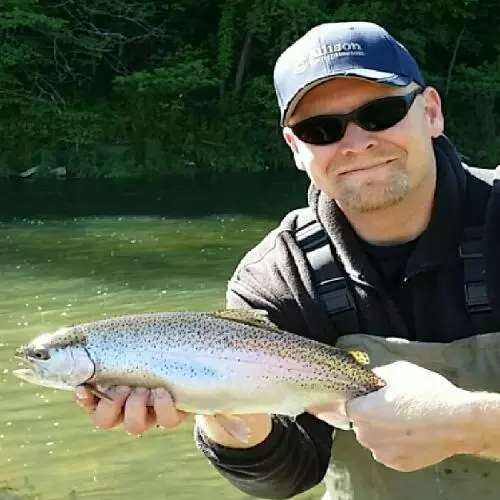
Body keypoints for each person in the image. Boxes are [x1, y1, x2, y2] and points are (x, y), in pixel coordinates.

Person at [75, 21, 500, 500]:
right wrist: (230, 417)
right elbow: (291, 474)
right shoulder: (277, 279)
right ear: (297, 149)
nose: (357, 142)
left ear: (431, 112)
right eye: (322, 129)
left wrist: (475, 426)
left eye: (380, 114)